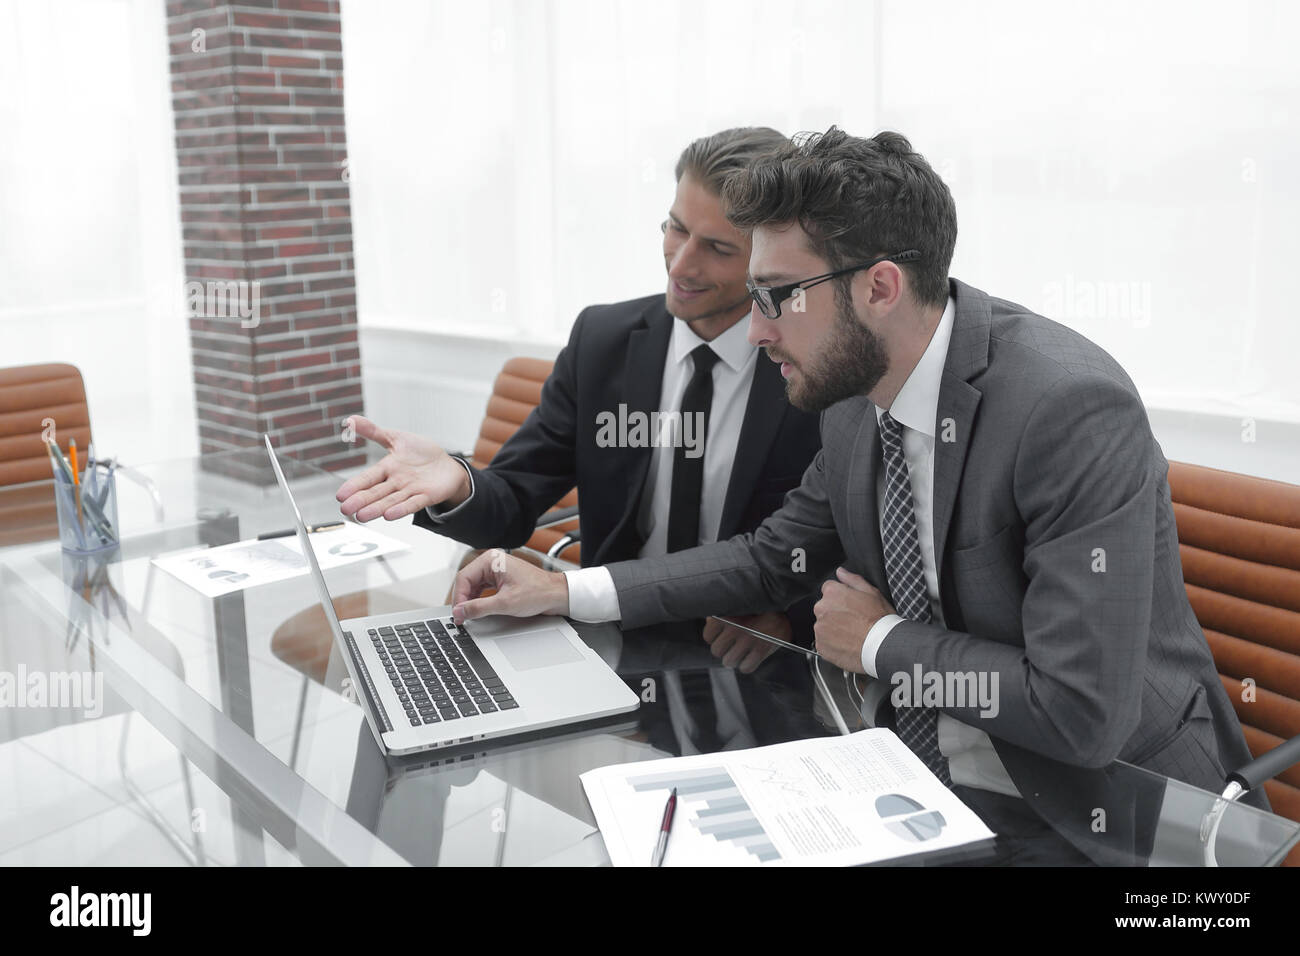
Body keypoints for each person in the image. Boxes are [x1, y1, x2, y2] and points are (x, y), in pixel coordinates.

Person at [447, 127, 1264, 864]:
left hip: (1096, 813)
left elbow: (1080, 714)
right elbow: (772, 561)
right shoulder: (851, 392)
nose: (756, 329)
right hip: (905, 780)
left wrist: (878, 641)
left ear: (878, 287)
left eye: (777, 296)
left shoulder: (1066, 408)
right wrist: (562, 590)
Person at [335, 126, 822, 679]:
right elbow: (515, 498)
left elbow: (848, 541)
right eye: (677, 229)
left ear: (768, 259)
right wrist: (458, 482)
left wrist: (794, 615)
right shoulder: (604, 340)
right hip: (610, 641)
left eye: (717, 248)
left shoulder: (810, 365)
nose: (682, 265)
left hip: (747, 660)